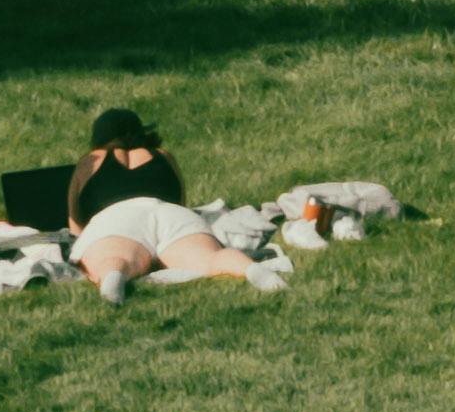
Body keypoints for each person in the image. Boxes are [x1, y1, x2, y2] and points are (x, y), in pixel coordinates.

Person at [50, 106, 284, 298]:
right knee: (210, 258)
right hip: (171, 214)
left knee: (115, 259)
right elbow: (181, 202)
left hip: (116, 218)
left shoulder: (91, 160)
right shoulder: (163, 155)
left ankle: (113, 276)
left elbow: (75, 224)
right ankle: (250, 269)